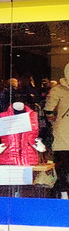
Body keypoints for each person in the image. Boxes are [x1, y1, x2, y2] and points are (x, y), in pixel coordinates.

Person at [46, 64, 69, 196]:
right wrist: (56, 122)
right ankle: (63, 193)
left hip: (62, 135)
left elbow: (49, 112)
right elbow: (49, 111)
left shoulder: (57, 91)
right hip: (62, 138)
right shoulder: (57, 90)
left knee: (64, 168)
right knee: (63, 169)